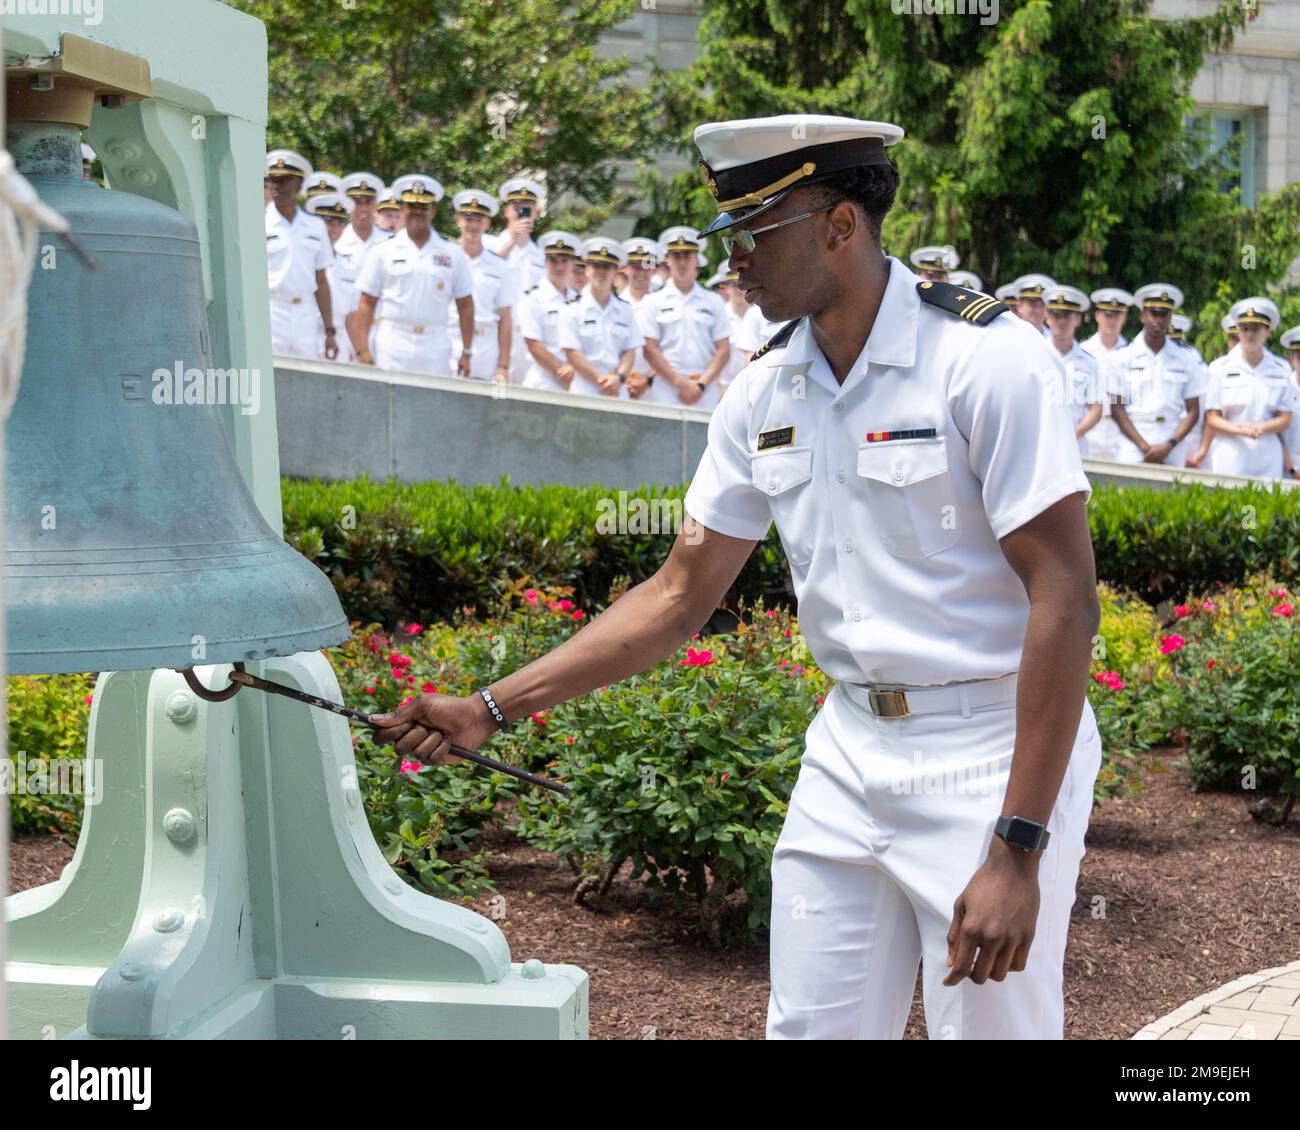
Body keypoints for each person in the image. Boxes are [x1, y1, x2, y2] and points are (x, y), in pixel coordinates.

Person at [368, 113, 1102, 1043]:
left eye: (754, 232)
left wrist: (1018, 847)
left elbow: (1066, 602)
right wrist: (490, 705)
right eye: (726, 235)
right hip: (846, 751)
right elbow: (679, 596)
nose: (734, 261)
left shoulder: (984, 361)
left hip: (988, 748)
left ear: (840, 224)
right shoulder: (765, 389)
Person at [350, 174, 474, 377]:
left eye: (423, 207)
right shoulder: (383, 250)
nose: (417, 212)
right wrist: (362, 350)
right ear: (402, 210)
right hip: (393, 342)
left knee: (433, 404)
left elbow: (465, 304)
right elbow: (367, 301)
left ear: (432, 211)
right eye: (411, 206)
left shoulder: (452, 253)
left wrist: (467, 352)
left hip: (435, 345)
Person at [1189, 298, 1295, 479]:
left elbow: (1285, 418)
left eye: (1256, 329)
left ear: (1267, 332)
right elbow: (1213, 418)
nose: (1249, 335)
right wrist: (1239, 430)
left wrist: (1260, 427)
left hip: (1267, 453)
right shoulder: (1220, 368)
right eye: (1244, 329)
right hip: (1231, 451)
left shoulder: (1280, 368)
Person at [638, 226, 731, 409]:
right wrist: (680, 383)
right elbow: (650, 349)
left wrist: (701, 384)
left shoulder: (713, 301)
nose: (682, 262)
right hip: (666, 387)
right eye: (676, 256)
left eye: (688, 256)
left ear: (697, 260)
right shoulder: (652, 301)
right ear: (668, 260)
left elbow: (723, 349)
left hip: (704, 387)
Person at [1109, 283, 1202, 467]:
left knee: (1174, 495)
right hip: (1133, 440)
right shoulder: (1122, 357)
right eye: (1153, 313)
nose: (1158, 320)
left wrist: (1169, 445)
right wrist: (1144, 447)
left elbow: (1194, 411)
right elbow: (1117, 409)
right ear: (1143, 315)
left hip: (1172, 439)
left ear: (1170, 317)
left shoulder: (1185, 359)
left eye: (1164, 314)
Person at [265, 149, 338, 360]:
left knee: (306, 377)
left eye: (284, 180)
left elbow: (321, 281)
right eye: (273, 180)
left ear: (298, 185)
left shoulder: (315, 226)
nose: (277, 186)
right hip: (272, 311)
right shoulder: (259, 223)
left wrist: (329, 329)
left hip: (305, 313)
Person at [558, 237, 642, 399]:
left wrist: (619, 378)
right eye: (596, 266)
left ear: (616, 272)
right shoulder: (571, 309)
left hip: (617, 390)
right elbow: (572, 353)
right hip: (584, 390)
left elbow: (630, 350)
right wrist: (601, 381)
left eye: (607, 267)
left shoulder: (625, 309)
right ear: (587, 269)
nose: (601, 271)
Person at [450, 189, 516, 382]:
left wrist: (503, 366)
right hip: (451, 339)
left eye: (479, 220)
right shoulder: (446, 259)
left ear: (487, 224)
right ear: (459, 221)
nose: (473, 226)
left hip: (486, 346)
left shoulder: (499, 266)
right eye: (468, 219)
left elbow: (505, 318)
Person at [491, 177, 547, 381]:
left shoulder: (541, 255)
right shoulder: (492, 245)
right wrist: (511, 242)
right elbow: (487, 271)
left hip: (528, 338)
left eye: (527, 210)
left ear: (536, 214)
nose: (522, 215)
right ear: (507, 212)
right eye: (517, 209)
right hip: (496, 335)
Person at [518, 230, 581, 393]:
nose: (559, 267)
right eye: (553, 261)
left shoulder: (580, 300)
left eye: (564, 261)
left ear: (572, 264)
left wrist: (576, 372)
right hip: (543, 381)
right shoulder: (533, 298)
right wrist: (562, 371)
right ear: (545, 262)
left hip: (576, 380)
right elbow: (533, 344)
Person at [1043, 285, 1103, 455]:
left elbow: (1096, 408)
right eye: (1055, 315)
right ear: (1047, 317)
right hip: (1040, 441)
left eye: (1067, 316)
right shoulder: (1036, 355)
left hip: (1075, 444)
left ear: (1077, 319)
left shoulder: (1089, 362)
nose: (1061, 321)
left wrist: (1074, 434)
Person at [333, 172, 386, 363]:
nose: (362, 208)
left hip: (382, 334)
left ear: (376, 205)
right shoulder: (336, 243)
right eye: (356, 201)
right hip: (342, 336)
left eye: (367, 202)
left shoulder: (389, 245)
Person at [1079, 288, 1134, 461]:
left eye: (1116, 315)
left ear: (1123, 318)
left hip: (1122, 431)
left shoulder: (1132, 353)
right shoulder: (1083, 351)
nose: (1111, 320)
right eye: (1107, 314)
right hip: (1089, 429)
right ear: (1097, 316)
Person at [305, 192, 354, 360]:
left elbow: (351, 313)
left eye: (340, 223)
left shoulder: (348, 264)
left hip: (340, 339)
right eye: (329, 222)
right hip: (309, 334)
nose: (334, 229)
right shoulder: (305, 261)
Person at [1279, 325, 1300, 479]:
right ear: (1291, 358)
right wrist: (1292, 469)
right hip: (1285, 470)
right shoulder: (1282, 387)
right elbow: (1277, 434)